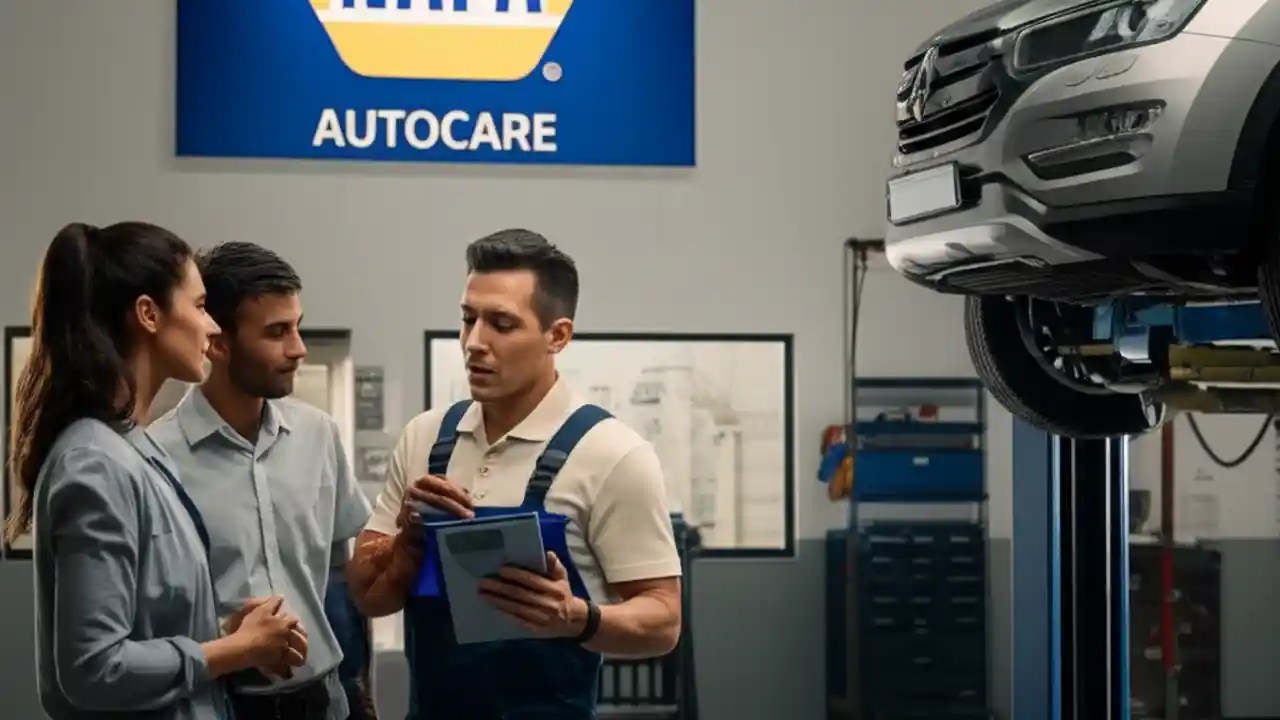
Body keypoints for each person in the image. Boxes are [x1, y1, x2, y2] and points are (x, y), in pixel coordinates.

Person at [346, 229, 685, 719]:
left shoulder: (613, 454)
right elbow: (369, 597)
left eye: (502, 325)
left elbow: (663, 621)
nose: (474, 343)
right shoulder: (424, 439)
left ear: (557, 336)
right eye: (469, 319)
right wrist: (407, 542)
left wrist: (576, 617)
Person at [7, 222, 307, 720]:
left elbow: (145, 629)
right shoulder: (94, 463)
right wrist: (232, 651)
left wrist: (229, 637)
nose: (212, 327)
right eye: (199, 306)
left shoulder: (136, 449)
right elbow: (93, 669)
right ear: (148, 314)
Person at [150, 241, 373, 720]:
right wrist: (227, 639)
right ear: (218, 341)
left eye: (297, 326)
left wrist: (361, 691)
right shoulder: (155, 459)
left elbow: (342, 583)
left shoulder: (319, 435)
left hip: (323, 702)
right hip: (219, 703)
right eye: (277, 332)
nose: (299, 349)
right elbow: (145, 616)